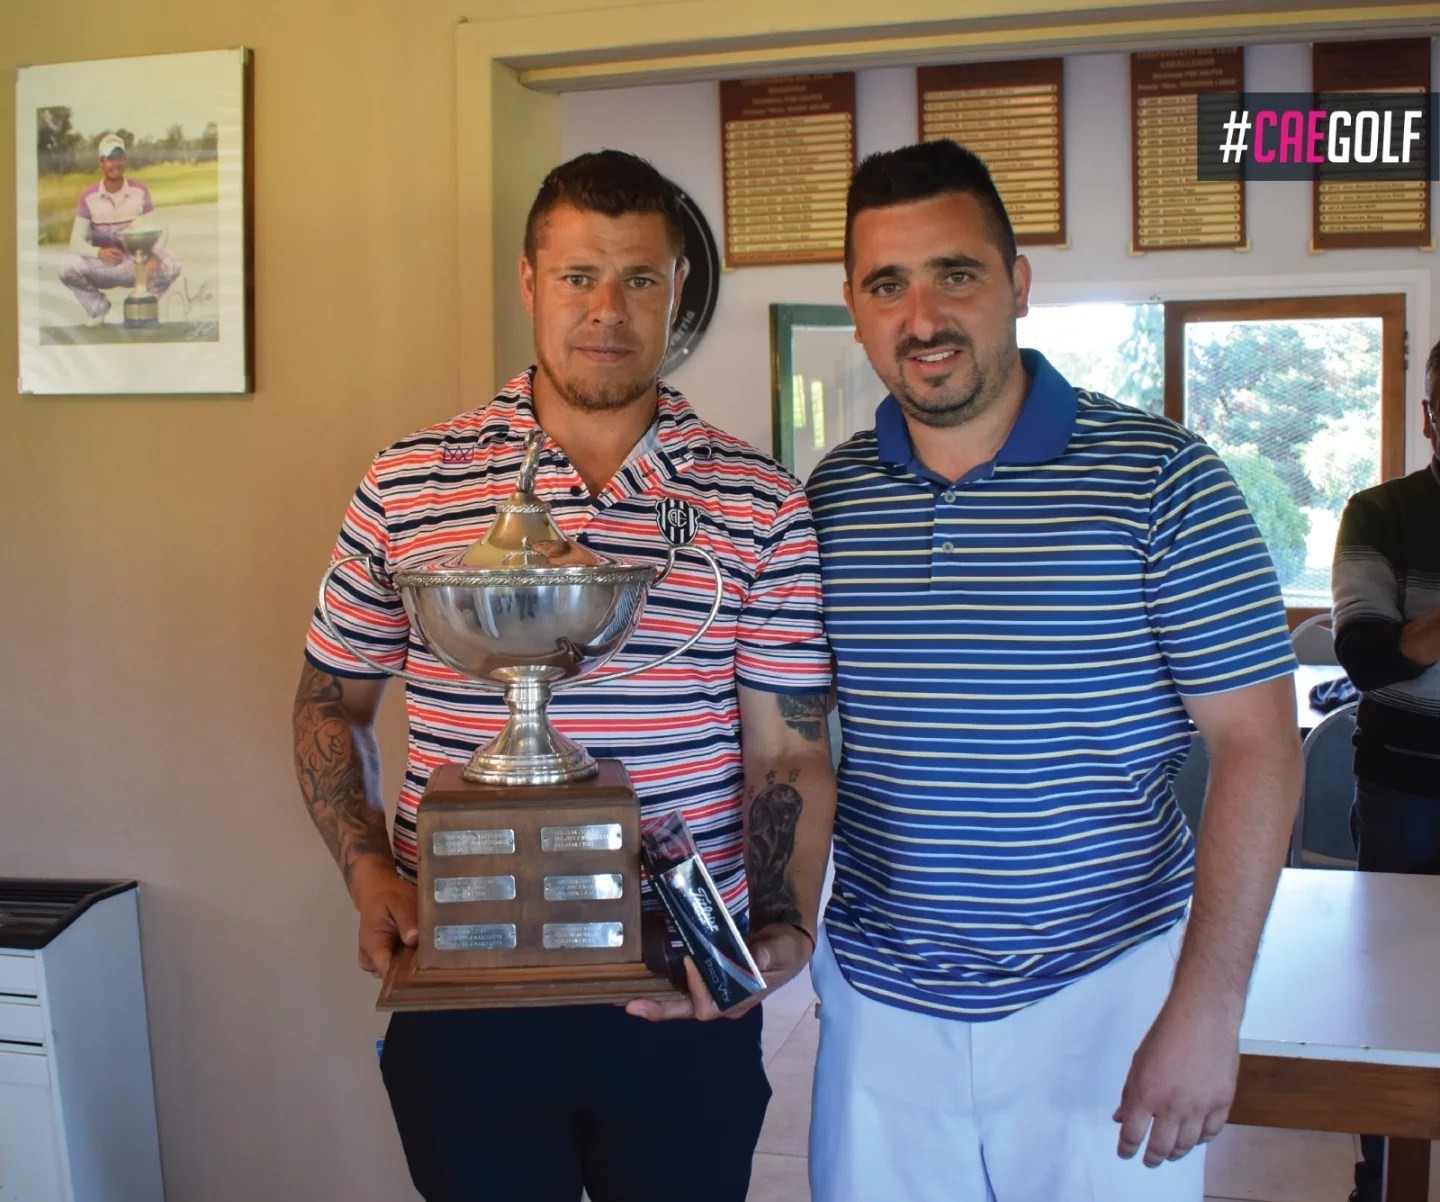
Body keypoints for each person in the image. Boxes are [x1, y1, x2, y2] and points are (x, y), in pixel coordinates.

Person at [292, 149, 835, 1202]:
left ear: (679, 291)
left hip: (681, 977)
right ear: (530, 282)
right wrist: (369, 874)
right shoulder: (410, 480)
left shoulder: (758, 500)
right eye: (580, 274)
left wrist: (780, 924)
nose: (608, 309)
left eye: (642, 277)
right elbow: (331, 699)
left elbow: (790, 745)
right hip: (467, 976)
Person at [804, 138, 1304, 1202]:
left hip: (1107, 990)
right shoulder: (833, 496)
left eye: (956, 273)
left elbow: (1258, 744)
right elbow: (786, 737)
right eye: (887, 284)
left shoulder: (1166, 481)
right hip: (881, 1007)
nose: (923, 316)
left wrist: (1207, 1009)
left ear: (1018, 284)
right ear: (853, 302)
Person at [1331, 339, 1440, 1202]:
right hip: (1407, 791)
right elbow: (1367, 658)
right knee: (1391, 1013)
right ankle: (1383, 1178)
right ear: (1430, 414)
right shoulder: (1381, 513)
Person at [58, 133, 181, 324]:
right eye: (110, 159)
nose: (116, 163)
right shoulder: (88, 195)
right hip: (103, 266)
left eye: (120, 157)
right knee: (67, 266)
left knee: (172, 263)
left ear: (125, 160)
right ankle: (98, 309)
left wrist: (153, 256)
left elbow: (158, 231)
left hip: (135, 265)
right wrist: (97, 252)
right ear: (101, 162)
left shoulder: (139, 191)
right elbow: (75, 242)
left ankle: (142, 304)